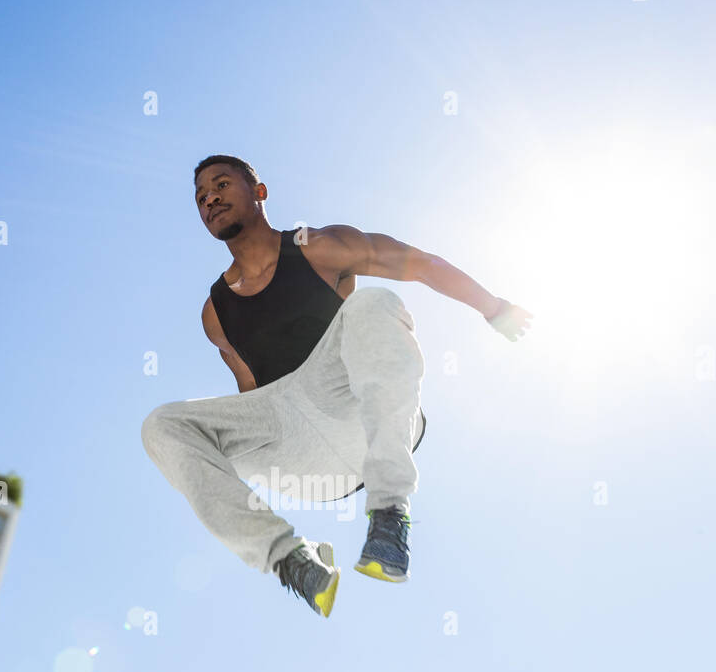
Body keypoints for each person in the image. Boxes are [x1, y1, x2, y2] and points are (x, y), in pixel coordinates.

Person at [141, 156, 532, 618]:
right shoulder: (215, 314)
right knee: (162, 425)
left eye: (222, 184)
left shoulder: (320, 247)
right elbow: (253, 395)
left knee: (372, 303)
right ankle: (291, 561)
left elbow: (421, 264)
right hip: (298, 452)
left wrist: (493, 307)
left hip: (357, 412)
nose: (211, 198)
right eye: (201, 196)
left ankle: (389, 515)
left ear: (260, 192)